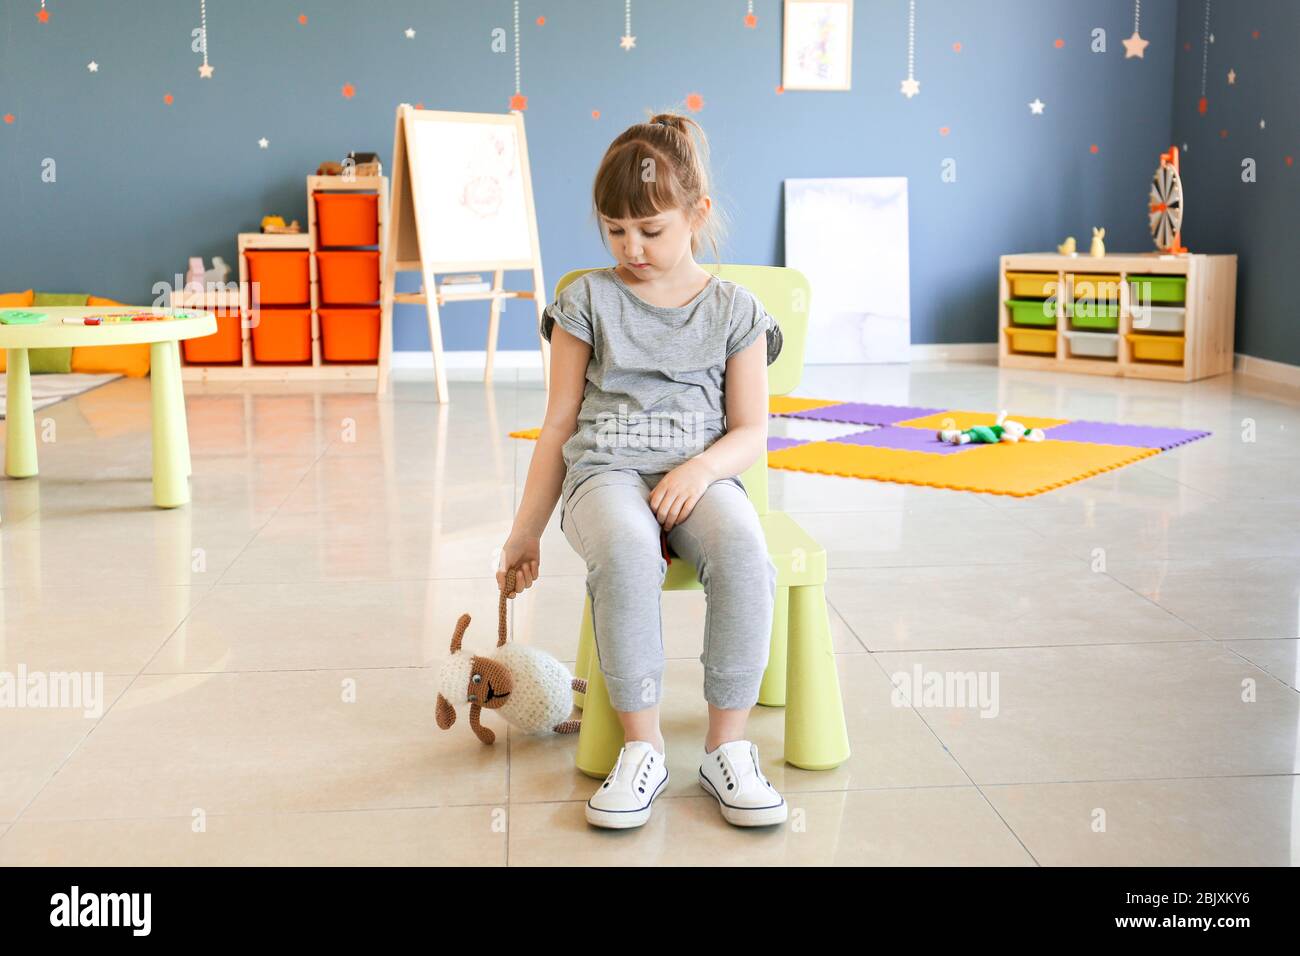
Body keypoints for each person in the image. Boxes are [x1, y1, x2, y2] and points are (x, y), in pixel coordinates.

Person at [497, 111, 786, 830]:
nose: (632, 248)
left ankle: (727, 749)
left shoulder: (735, 311)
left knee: (747, 552)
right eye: (614, 229)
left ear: (697, 215)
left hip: (703, 473)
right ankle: (642, 748)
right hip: (605, 474)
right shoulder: (586, 302)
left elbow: (752, 429)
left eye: (650, 231)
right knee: (627, 554)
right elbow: (559, 423)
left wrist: (701, 469)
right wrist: (523, 533)